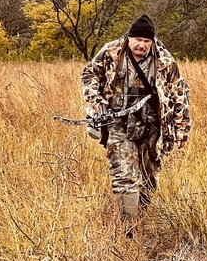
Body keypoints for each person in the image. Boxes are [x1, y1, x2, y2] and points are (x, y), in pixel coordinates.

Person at [81, 14, 191, 231]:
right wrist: (96, 101)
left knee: (149, 179)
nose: (141, 45)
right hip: (118, 125)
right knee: (125, 177)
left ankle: (139, 218)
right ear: (130, 38)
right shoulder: (111, 51)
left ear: (152, 42)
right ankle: (128, 230)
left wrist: (181, 130)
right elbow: (89, 75)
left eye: (146, 41)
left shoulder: (165, 60)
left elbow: (180, 94)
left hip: (152, 128)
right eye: (138, 40)